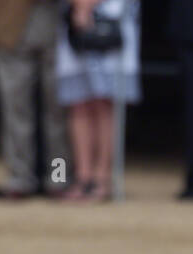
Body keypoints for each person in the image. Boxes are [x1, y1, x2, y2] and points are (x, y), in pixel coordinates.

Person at [56, 0, 140, 201]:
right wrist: (78, 8)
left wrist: (85, 7)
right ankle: (83, 177)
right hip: (74, 28)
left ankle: (102, 178)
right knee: (78, 104)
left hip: (109, 25)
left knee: (104, 105)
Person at [0, 0, 69, 198]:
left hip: (58, 20)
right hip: (10, 21)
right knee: (15, 108)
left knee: (58, 110)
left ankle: (58, 178)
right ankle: (20, 178)